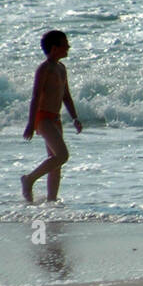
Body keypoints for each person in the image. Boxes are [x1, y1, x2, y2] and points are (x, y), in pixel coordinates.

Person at [22, 31, 82, 203]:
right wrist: (31, 123)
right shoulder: (44, 69)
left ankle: (52, 202)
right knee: (62, 155)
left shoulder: (61, 68)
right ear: (55, 48)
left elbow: (66, 96)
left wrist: (75, 118)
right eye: (65, 44)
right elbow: (35, 97)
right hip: (43, 118)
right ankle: (29, 179)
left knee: (56, 164)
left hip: (55, 119)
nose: (68, 47)